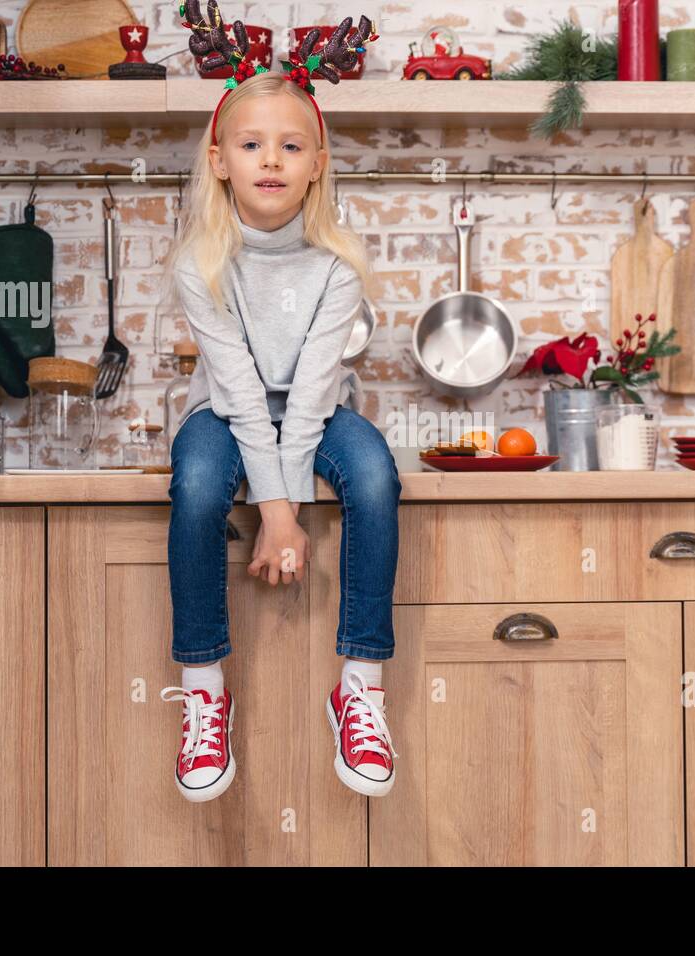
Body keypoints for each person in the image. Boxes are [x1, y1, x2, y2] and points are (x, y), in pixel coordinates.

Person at [157, 14, 400, 803]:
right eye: (253, 144)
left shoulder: (337, 263)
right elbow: (235, 392)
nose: (272, 159)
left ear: (317, 165)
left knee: (374, 476)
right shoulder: (202, 261)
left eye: (291, 146)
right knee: (196, 486)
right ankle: (203, 687)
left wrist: (286, 508)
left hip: (317, 408)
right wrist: (277, 509)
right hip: (225, 410)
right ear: (220, 160)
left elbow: (314, 394)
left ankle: (361, 685)